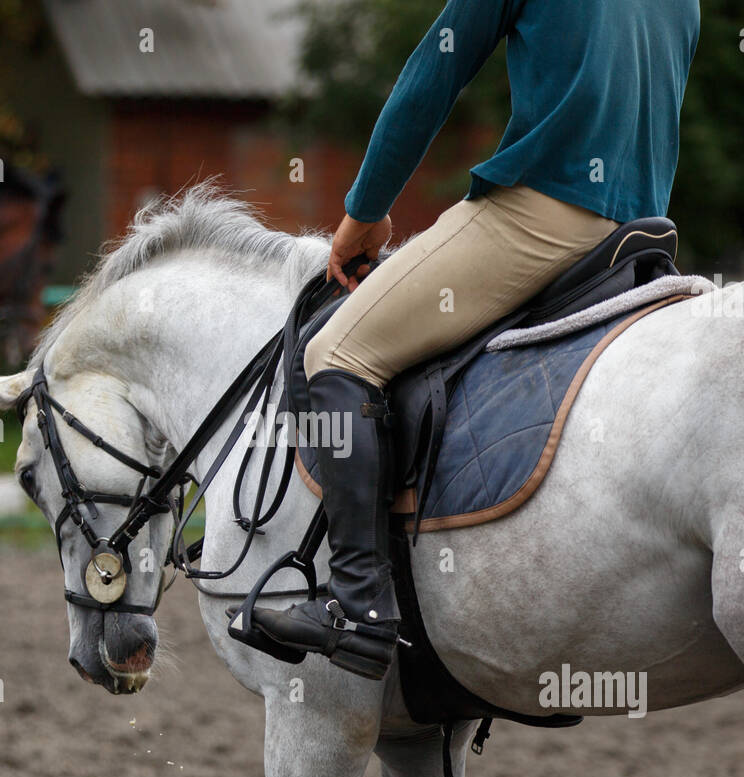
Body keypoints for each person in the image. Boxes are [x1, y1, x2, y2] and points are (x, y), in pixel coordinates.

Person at [252, 0, 702, 679]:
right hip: (641, 227)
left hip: (545, 214)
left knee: (335, 356)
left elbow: (429, 79)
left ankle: (357, 608)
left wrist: (363, 214)